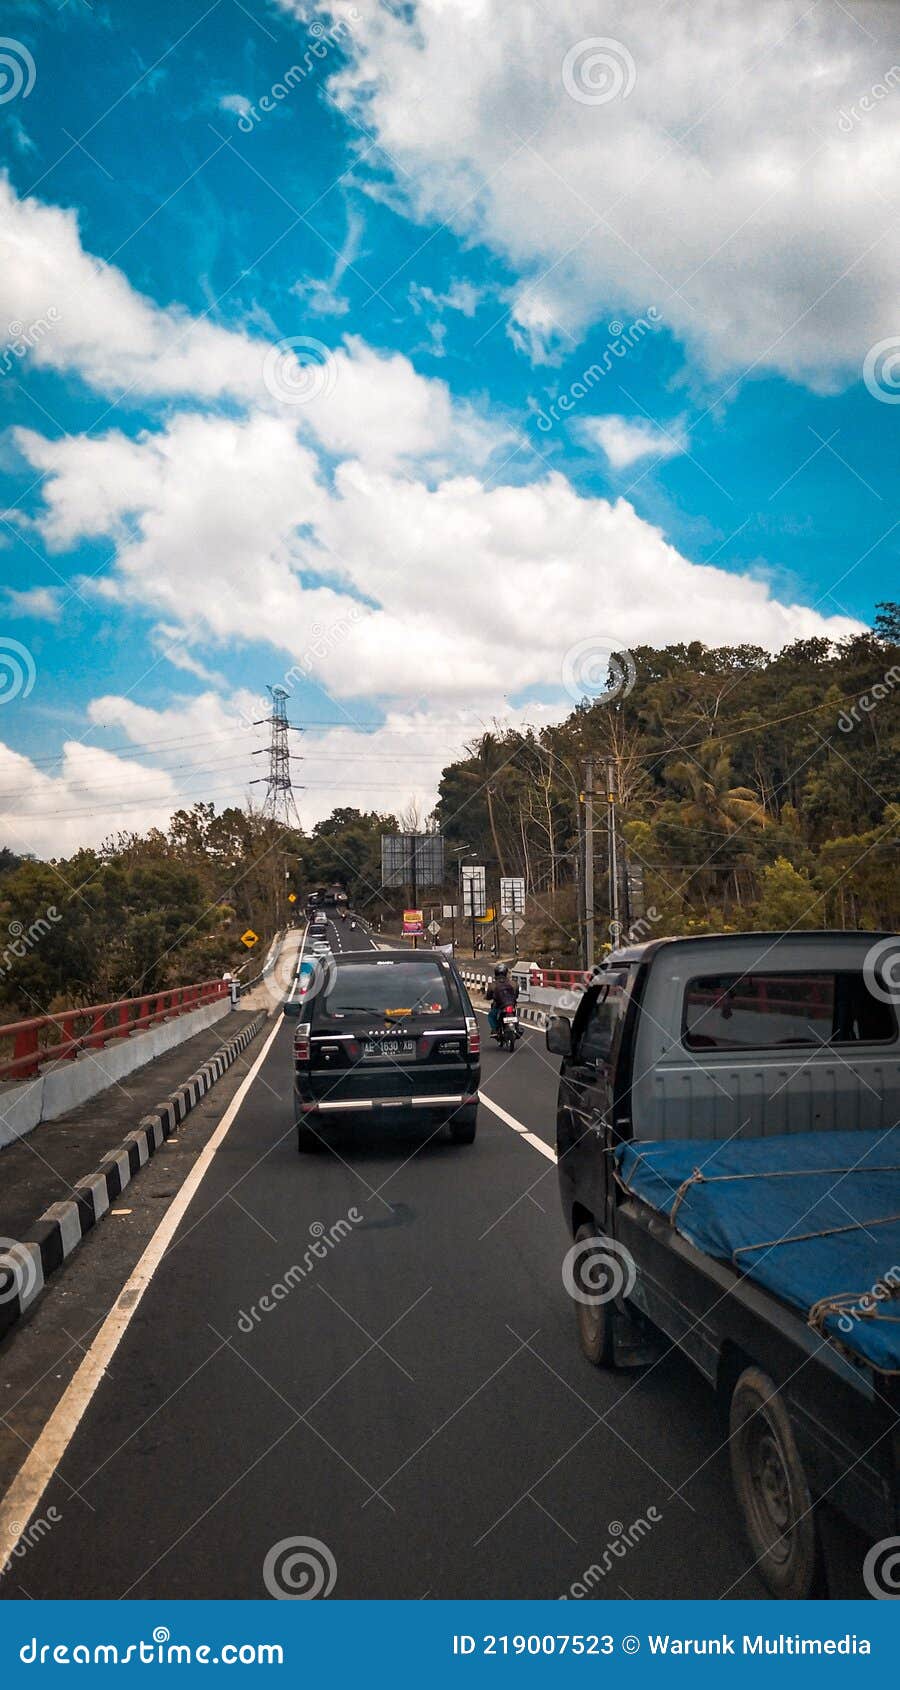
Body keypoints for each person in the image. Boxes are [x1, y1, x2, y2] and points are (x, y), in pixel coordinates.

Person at [487, 962, 518, 1036]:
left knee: (491, 1016)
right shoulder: (513, 983)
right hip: (511, 1005)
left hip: (499, 1006)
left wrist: (488, 997)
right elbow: (516, 994)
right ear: (506, 972)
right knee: (514, 1013)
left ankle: (494, 1030)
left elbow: (488, 996)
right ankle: (517, 1027)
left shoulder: (493, 985)